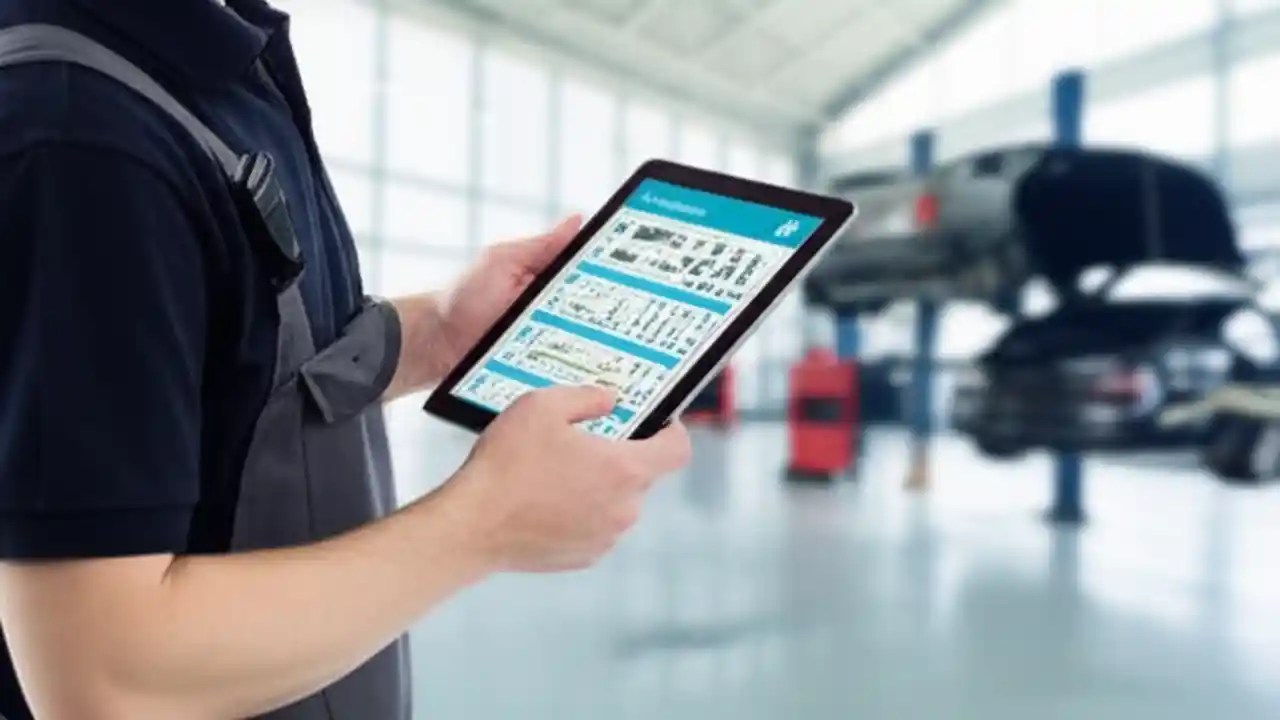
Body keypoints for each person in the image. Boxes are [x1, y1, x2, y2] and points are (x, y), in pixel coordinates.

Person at [0, 1, 691, 718]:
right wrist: (486, 523)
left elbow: (239, 373)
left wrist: (439, 333)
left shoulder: (215, 60)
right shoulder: (78, 134)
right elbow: (106, 679)